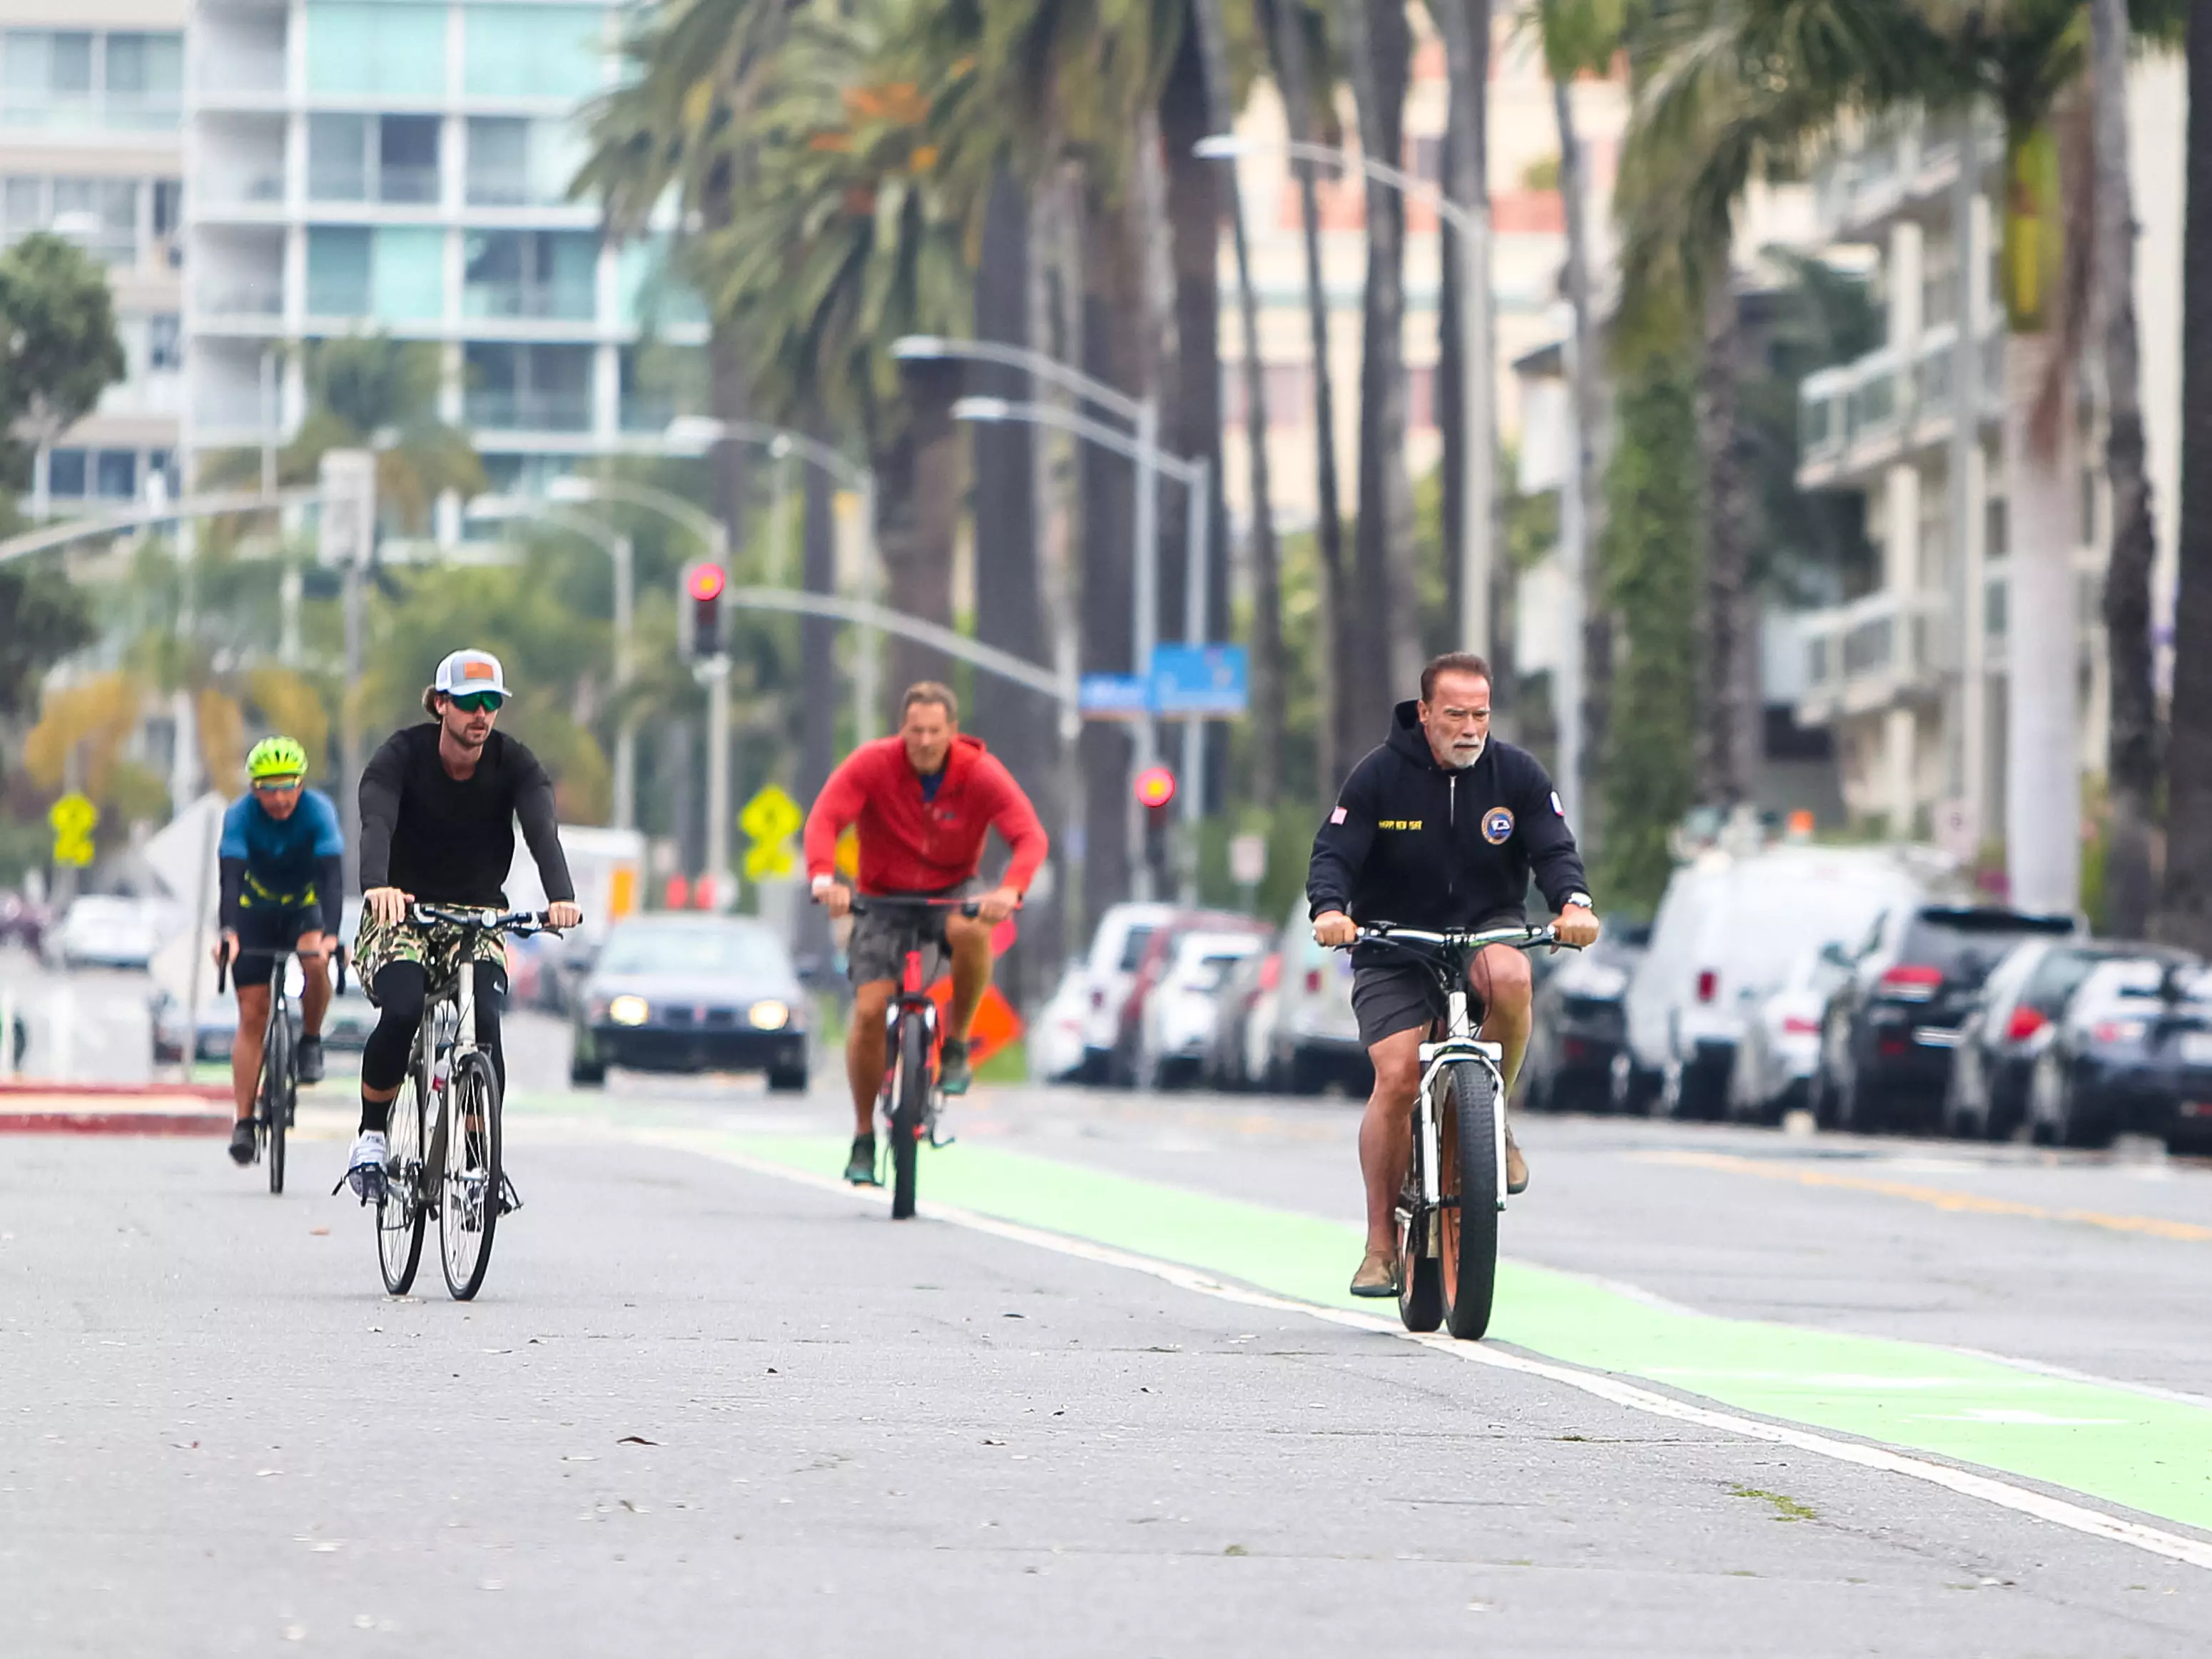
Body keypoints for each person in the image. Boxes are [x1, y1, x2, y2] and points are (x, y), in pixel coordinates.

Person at [1307, 652, 1601, 1298]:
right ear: (1425, 714)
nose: (1470, 728)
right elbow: (1334, 854)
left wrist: (1573, 903)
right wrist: (1331, 911)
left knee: (1515, 978)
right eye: (1455, 715)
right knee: (1397, 1075)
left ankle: (1493, 1118)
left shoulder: (1516, 775)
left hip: (1484, 928)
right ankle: (1381, 1245)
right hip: (1394, 941)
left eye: (1481, 714)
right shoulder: (1378, 778)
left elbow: (1554, 848)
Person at [344, 649, 582, 1199]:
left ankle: (479, 1168)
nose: (482, 715)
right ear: (442, 703)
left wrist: (561, 897)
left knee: (486, 1026)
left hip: (477, 918)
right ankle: (371, 1138)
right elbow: (376, 817)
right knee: (403, 1007)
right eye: (471, 703)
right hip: (401, 911)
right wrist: (377, 885)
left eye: (492, 704)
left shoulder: (515, 763)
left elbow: (542, 828)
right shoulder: (401, 756)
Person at [803, 681, 1047, 1185]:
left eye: (936, 731)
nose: (926, 741)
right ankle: (864, 1136)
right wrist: (826, 878)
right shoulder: (873, 763)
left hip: (951, 889)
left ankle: (956, 1044)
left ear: (953, 732)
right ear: (902, 730)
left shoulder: (979, 773)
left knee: (972, 928)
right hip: (882, 896)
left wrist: (1010, 890)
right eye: (916, 730)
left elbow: (1030, 836)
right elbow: (826, 817)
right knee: (870, 1011)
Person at [215, 736, 343, 1166]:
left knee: (315, 959)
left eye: (288, 786)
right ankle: (244, 1121)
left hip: (304, 908)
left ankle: (309, 1039)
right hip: (255, 912)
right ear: (253, 789)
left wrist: (332, 934)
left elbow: (331, 877)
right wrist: (229, 932)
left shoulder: (318, 812)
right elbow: (230, 879)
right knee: (252, 1014)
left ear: (302, 784)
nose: (280, 797)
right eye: (268, 788)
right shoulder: (239, 817)